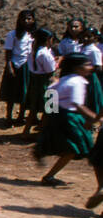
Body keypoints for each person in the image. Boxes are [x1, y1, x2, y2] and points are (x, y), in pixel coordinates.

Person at [35, 53, 98, 187]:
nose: (90, 67)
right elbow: (78, 105)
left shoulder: (63, 80)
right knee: (75, 148)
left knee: (71, 148)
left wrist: (49, 118)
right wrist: (96, 118)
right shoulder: (77, 82)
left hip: (59, 116)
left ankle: (48, 170)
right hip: (69, 118)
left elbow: (49, 96)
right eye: (87, 65)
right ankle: (49, 176)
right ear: (77, 67)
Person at [0, 8, 36, 126]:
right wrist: (9, 66)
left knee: (25, 92)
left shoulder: (34, 35)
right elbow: (8, 52)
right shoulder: (13, 35)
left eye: (29, 19)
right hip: (15, 64)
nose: (26, 21)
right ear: (19, 20)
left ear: (33, 20)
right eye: (24, 19)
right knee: (11, 92)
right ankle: (9, 117)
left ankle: (21, 116)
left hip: (27, 65)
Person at [23, 28, 59, 133]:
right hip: (45, 81)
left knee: (33, 109)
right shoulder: (45, 53)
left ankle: (26, 131)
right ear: (48, 39)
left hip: (35, 81)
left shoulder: (32, 51)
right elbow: (50, 70)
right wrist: (57, 62)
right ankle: (44, 131)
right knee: (50, 107)